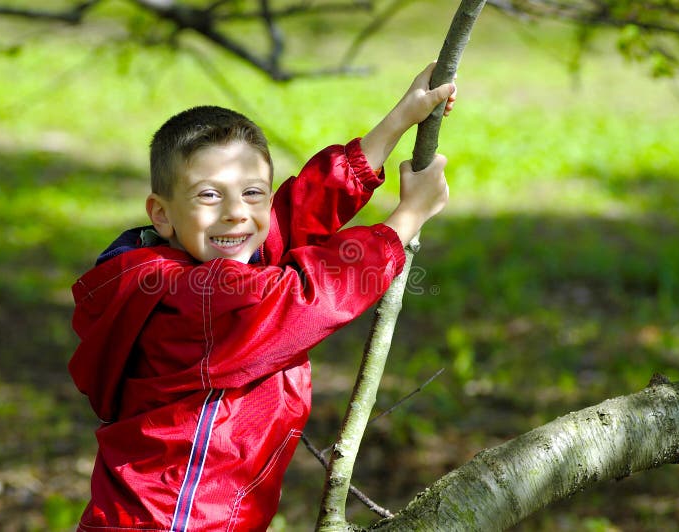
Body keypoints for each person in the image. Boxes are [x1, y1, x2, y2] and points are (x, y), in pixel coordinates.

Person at [69, 62, 456, 531]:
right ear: (162, 214)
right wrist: (407, 218)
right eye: (209, 195)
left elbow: (295, 214)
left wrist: (400, 119)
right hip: (177, 520)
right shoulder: (194, 301)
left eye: (253, 192)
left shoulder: (197, 263)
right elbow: (307, 296)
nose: (236, 213)